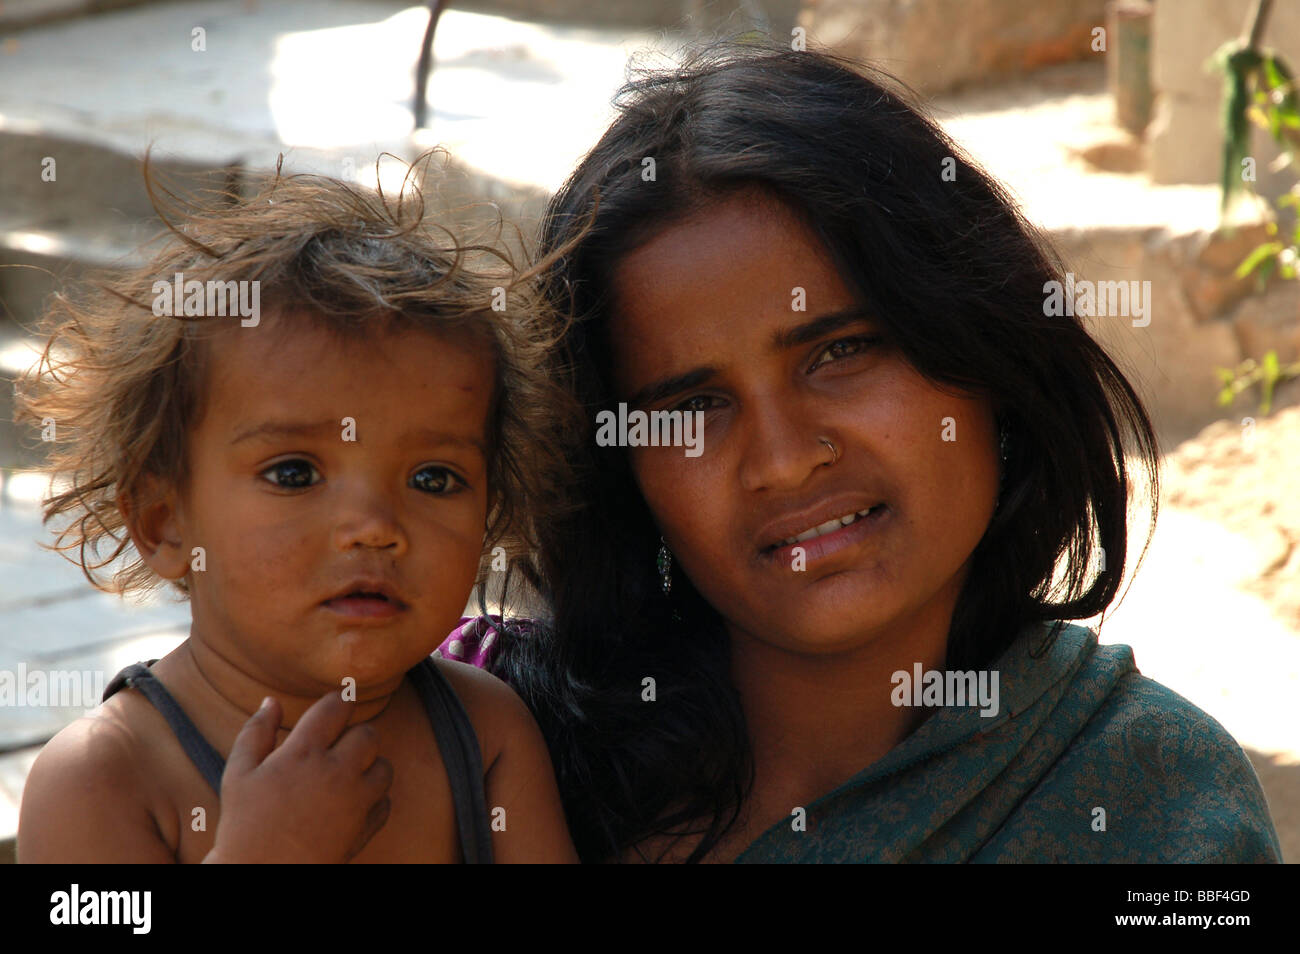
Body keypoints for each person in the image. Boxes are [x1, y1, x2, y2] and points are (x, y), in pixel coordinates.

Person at [444, 40, 1283, 863]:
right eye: (694, 406)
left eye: (840, 353)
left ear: (985, 350)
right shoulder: (480, 757)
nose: (780, 459)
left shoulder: (1153, 804)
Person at [15, 160, 578, 863]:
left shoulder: (485, 732)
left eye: (434, 478)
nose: (374, 527)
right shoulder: (105, 778)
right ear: (164, 524)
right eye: (294, 472)